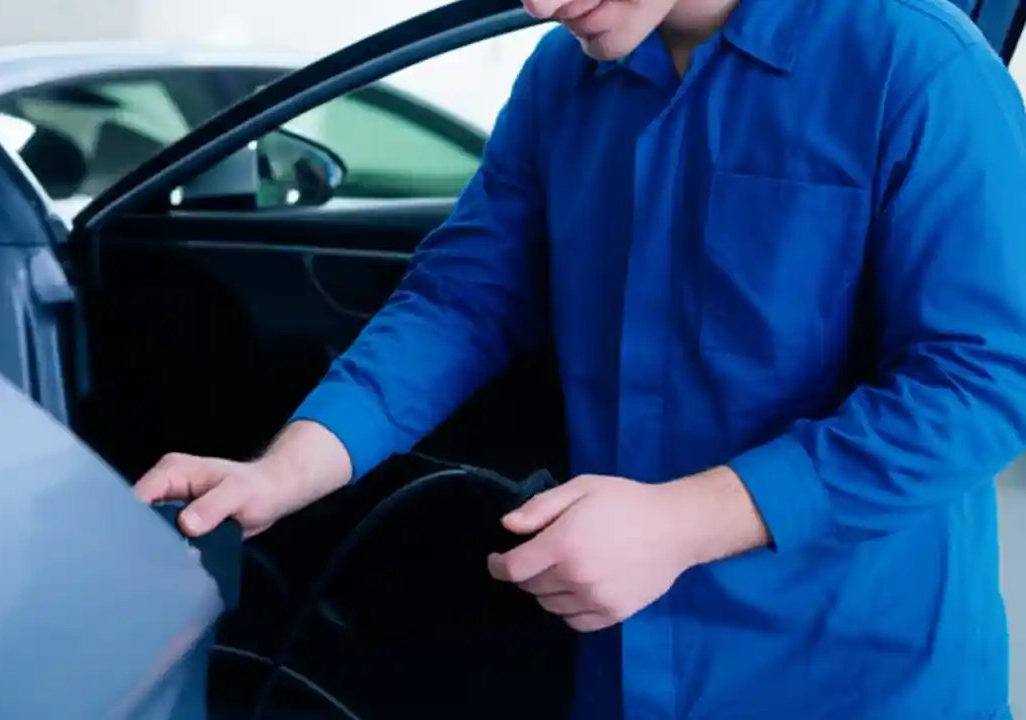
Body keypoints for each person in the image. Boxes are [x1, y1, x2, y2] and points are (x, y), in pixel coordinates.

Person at [135, 0, 1026, 716]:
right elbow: (462, 299)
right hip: (623, 668)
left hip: (857, 678)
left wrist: (685, 522)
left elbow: (987, 379)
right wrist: (282, 473)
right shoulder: (561, 79)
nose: (538, 4)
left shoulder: (915, 63)